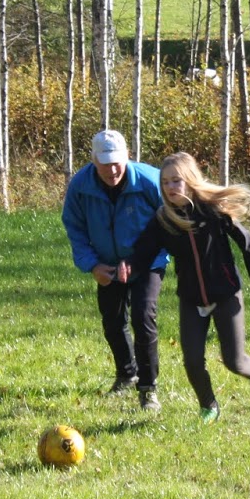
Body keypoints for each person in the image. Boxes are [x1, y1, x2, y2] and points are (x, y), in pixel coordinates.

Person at [127, 152, 250, 423]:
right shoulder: (163, 220)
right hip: (191, 299)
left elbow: (247, 244)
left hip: (226, 295)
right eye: (165, 182)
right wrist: (126, 269)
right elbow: (143, 253)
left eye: (176, 180)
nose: (171, 187)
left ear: (189, 181)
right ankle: (209, 406)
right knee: (192, 362)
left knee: (234, 361)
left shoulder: (213, 211)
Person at [62, 129, 168, 410]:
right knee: (112, 321)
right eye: (105, 163)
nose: (112, 170)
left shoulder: (150, 181)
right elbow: (75, 228)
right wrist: (92, 264)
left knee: (143, 318)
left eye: (117, 162)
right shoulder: (80, 186)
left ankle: (148, 389)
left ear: (127, 157)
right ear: (93, 160)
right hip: (106, 263)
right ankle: (127, 374)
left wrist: (142, 260)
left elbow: (173, 222)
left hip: (148, 262)